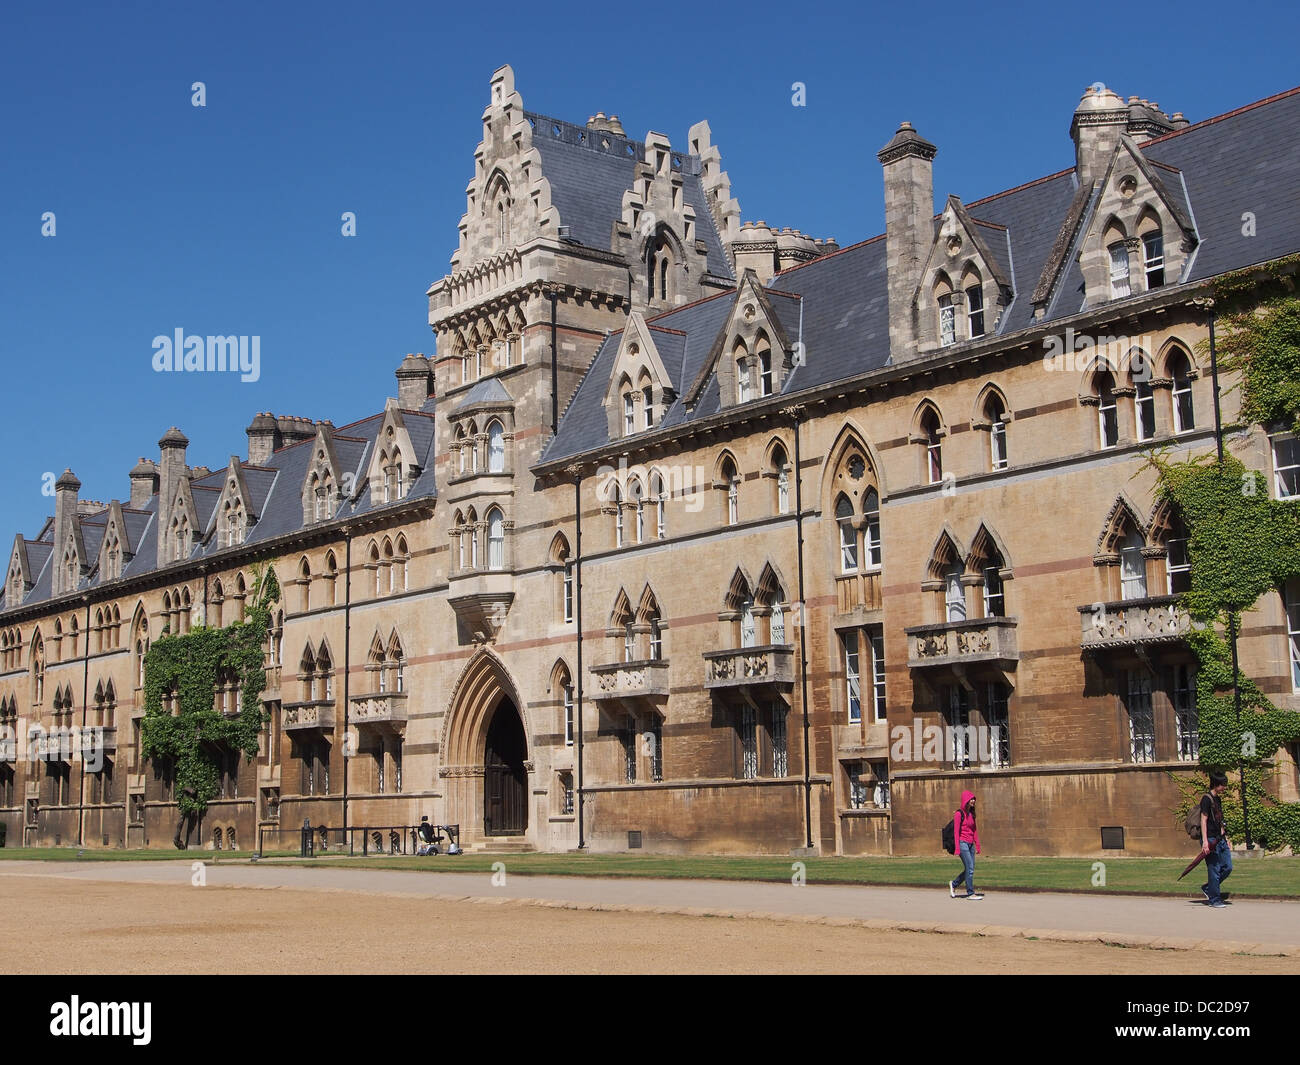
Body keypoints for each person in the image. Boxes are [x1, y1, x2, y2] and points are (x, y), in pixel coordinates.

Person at [1200, 773, 1232, 908]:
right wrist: (1205, 841)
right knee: (1214, 869)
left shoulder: (1218, 799)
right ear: (1216, 784)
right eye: (1223, 785)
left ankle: (1209, 888)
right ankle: (1214, 899)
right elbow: (1203, 820)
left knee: (1227, 867)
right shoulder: (1206, 799)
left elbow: (1219, 820)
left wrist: (1226, 838)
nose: (1225, 787)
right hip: (1210, 838)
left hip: (1220, 838)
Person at [948, 790, 983, 900]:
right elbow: (956, 832)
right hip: (962, 843)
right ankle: (970, 893)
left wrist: (977, 845)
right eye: (971, 799)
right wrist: (957, 848)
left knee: (969, 868)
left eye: (974, 799)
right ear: (966, 800)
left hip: (970, 844)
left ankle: (954, 884)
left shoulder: (971, 814)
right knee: (970, 868)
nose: (973, 801)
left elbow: (974, 830)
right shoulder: (959, 814)